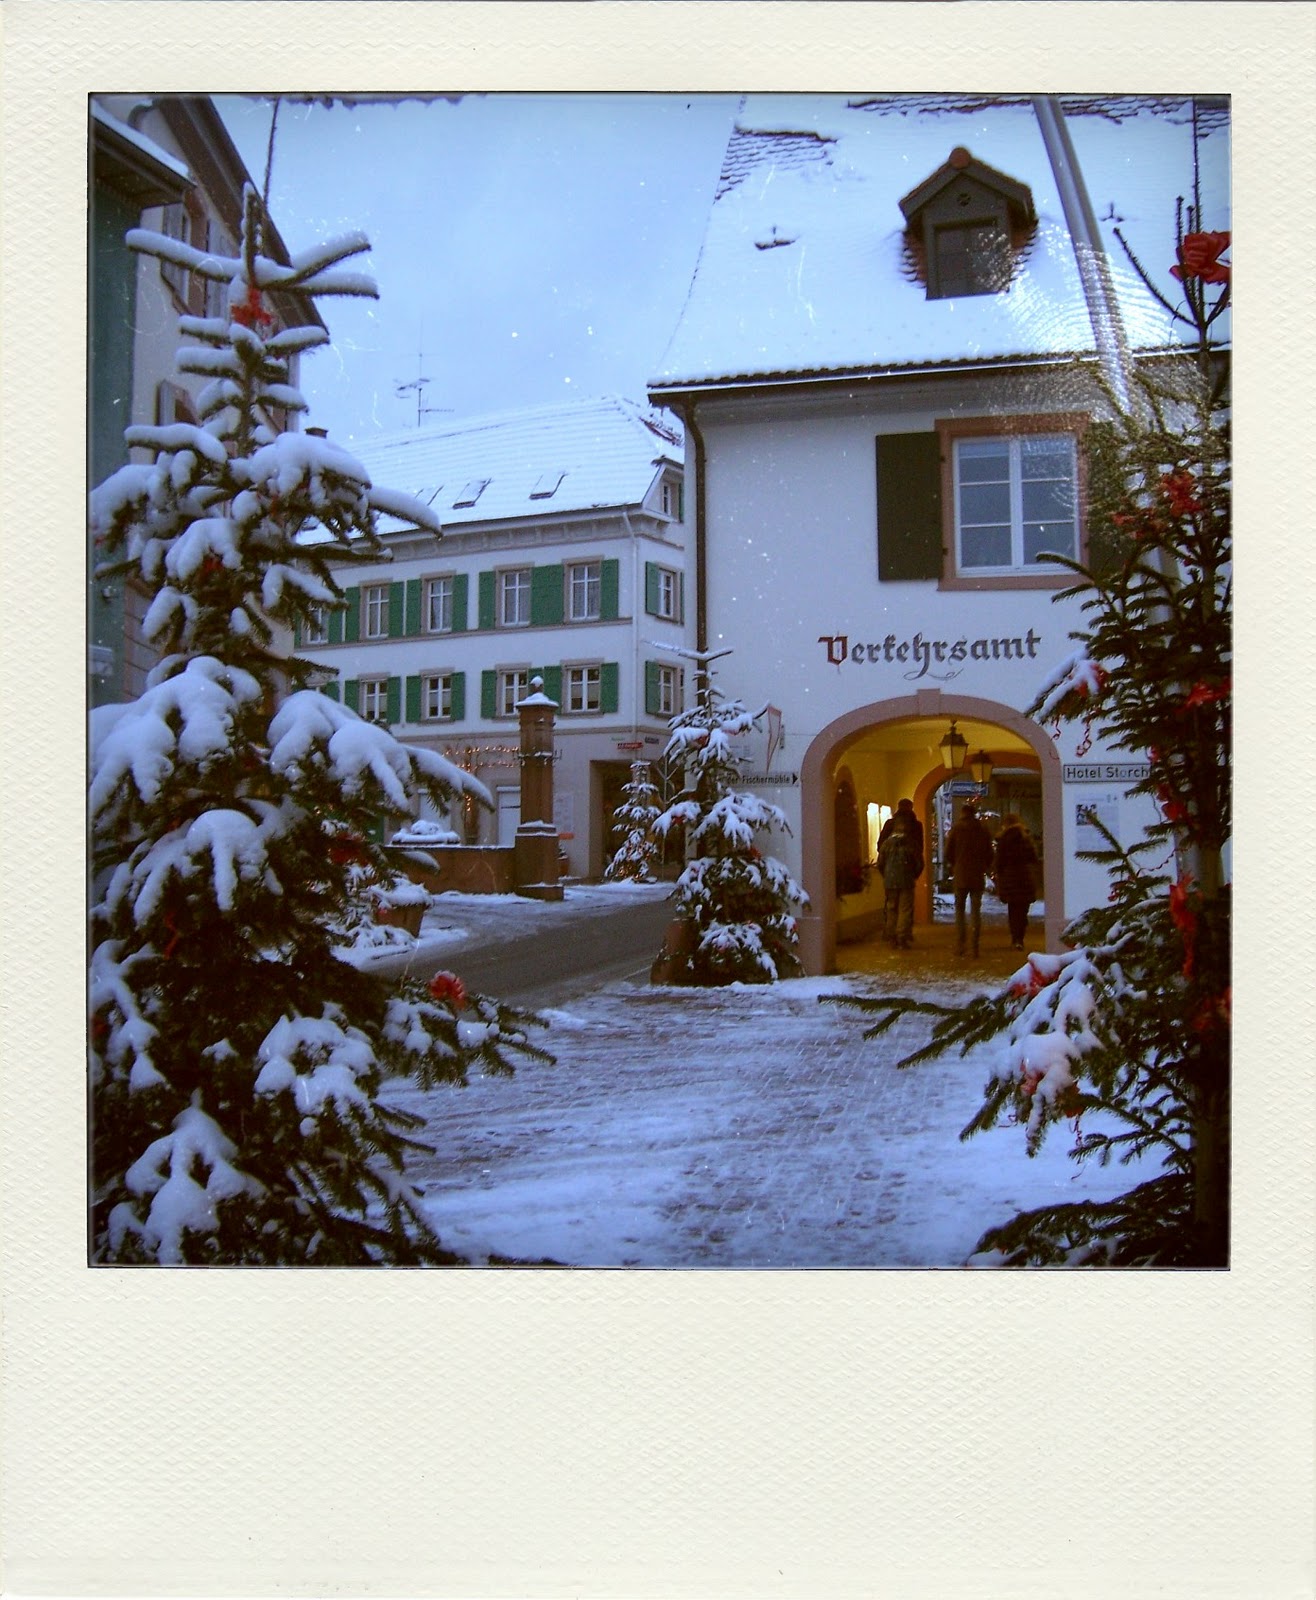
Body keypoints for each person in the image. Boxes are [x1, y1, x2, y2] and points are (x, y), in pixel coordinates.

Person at [945, 802, 995, 958]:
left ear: (962, 813)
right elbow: (990, 853)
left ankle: (960, 944)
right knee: (975, 911)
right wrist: (984, 866)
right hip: (977, 875)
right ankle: (975, 946)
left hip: (960, 875)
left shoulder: (956, 829)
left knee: (959, 911)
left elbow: (948, 853)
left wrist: (955, 864)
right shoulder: (982, 830)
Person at [876, 800, 924, 949]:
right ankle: (903, 936)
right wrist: (913, 873)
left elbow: (880, 855)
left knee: (891, 907)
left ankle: (891, 936)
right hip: (907, 876)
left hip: (890, 878)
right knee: (905, 908)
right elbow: (919, 855)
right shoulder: (915, 827)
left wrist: (886, 873)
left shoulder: (889, 829)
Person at [993, 813, 1041, 950]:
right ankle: (1020, 936)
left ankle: (1015, 938)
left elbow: (999, 862)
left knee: (1013, 910)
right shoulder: (1026, 838)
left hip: (1010, 879)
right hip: (1024, 878)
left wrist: (999, 876)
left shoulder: (1003, 840)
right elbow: (1033, 858)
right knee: (1023, 910)